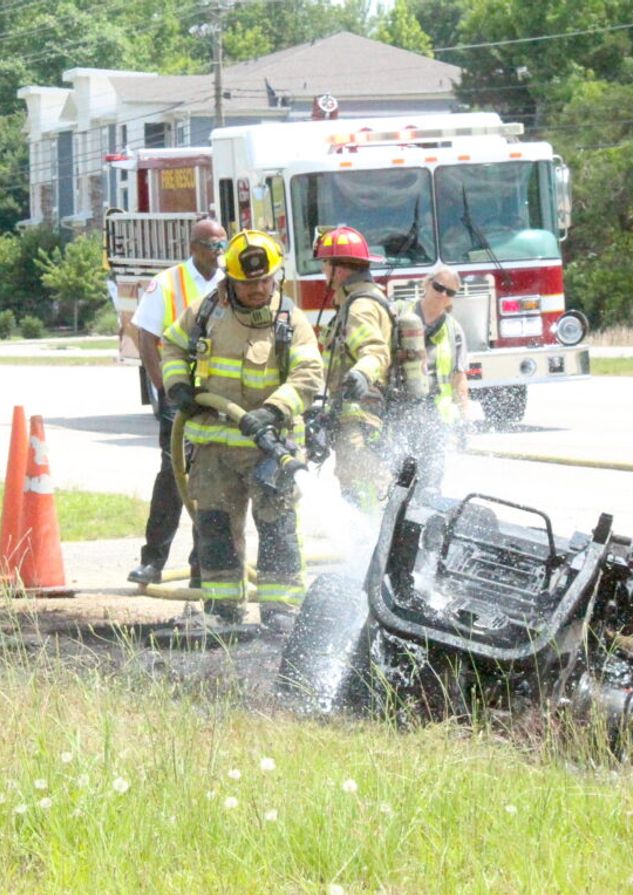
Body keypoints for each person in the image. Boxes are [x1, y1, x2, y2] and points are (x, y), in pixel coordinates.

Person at [160, 230, 324, 630]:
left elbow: (309, 373)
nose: (258, 289)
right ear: (230, 278)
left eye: (266, 281)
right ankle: (223, 611)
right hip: (213, 449)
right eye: (249, 283)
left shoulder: (289, 319)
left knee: (278, 530)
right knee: (214, 530)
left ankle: (281, 611)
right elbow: (172, 347)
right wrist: (179, 385)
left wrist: (273, 410)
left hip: (271, 450)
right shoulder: (205, 313)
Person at [127, 219, 227, 588]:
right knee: (172, 477)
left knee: (212, 478)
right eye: (212, 246)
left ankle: (203, 566)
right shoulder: (167, 284)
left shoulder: (229, 283)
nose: (219, 254)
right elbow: (147, 337)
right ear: (194, 247)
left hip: (219, 396)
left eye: (222, 246)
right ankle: (152, 561)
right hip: (179, 395)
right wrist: (165, 389)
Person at [313, 225, 393, 509]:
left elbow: (374, 351)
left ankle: (373, 544)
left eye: (325, 264)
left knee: (364, 483)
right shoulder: (354, 301)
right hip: (352, 416)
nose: (324, 272)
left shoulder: (359, 307)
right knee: (355, 480)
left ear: (339, 269)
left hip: (360, 418)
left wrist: (361, 373)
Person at [391, 264, 471, 497]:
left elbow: (459, 377)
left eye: (451, 292)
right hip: (397, 407)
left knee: (431, 482)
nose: (443, 294)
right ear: (426, 284)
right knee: (398, 477)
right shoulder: (399, 312)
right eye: (438, 287)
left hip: (433, 414)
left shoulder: (454, 330)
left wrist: (465, 419)